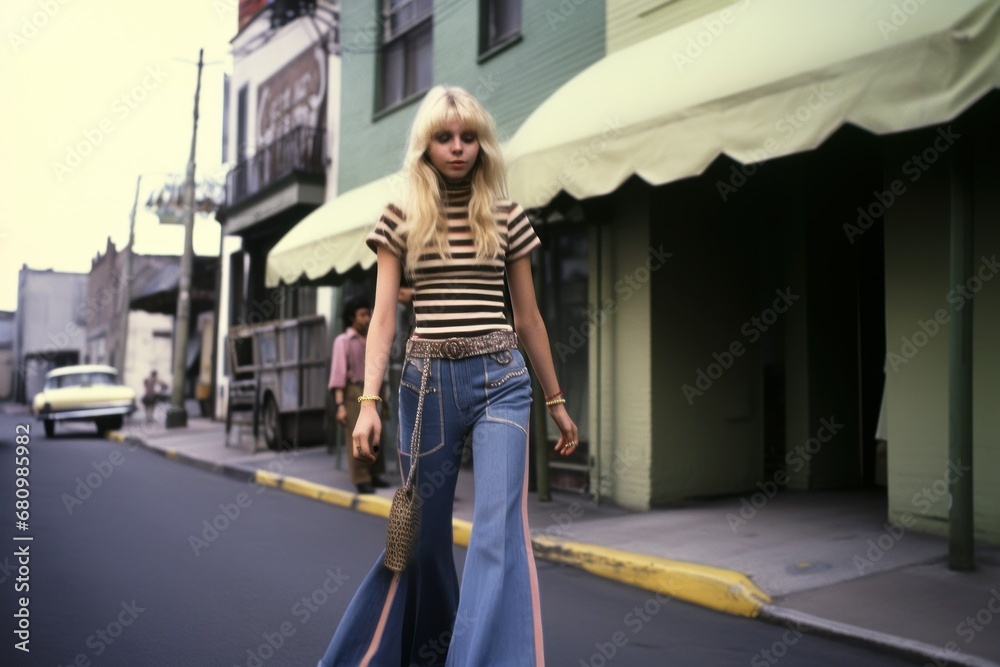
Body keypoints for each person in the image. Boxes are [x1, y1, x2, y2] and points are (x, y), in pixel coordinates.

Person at [318, 85, 578, 667]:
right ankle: (423, 653)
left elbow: (529, 315)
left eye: (467, 137)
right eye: (444, 137)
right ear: (425, 146)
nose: (457, 148)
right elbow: (384, 316)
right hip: (427, 384)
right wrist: (368, 402)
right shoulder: (400, 217)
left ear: (482, 145)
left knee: (497, 532)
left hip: (502, 383)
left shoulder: (509, 217)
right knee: (423, 539)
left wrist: (556, 398)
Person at [329, 297, 388, 494]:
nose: (367, 318)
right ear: (351, 318)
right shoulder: (343, 341)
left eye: (368, 314)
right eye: (362, 315)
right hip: (353, 390)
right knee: (359, 435)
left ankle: (375, 473)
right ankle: (361, 478)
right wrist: (340, 405)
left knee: (377, 434)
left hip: (372, 390)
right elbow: (338, 375)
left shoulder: (371, 338)